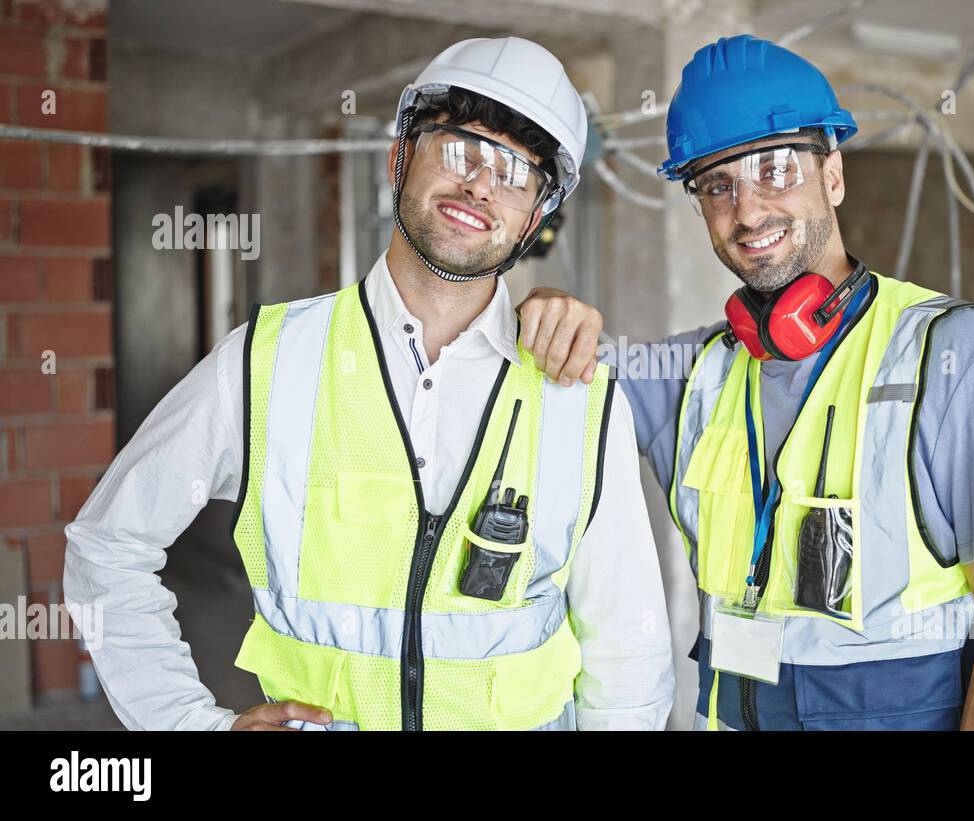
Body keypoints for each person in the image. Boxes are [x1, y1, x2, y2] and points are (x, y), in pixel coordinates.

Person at [63, 36, 674, 731]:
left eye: (514, 170)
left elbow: (628, 646)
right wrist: (188, 722)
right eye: (457, 148)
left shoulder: (579, 393)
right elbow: (107, 546)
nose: (479, 184)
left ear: (535, 217)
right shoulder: (268, 362)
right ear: (399, 159)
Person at [520, 34, 974, 730]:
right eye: (718, 185)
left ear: (833, 175)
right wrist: (540, 310)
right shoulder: (687, 378)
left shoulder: (958, 352)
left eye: (777, 170)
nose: (748, 211)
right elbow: (543, 377)